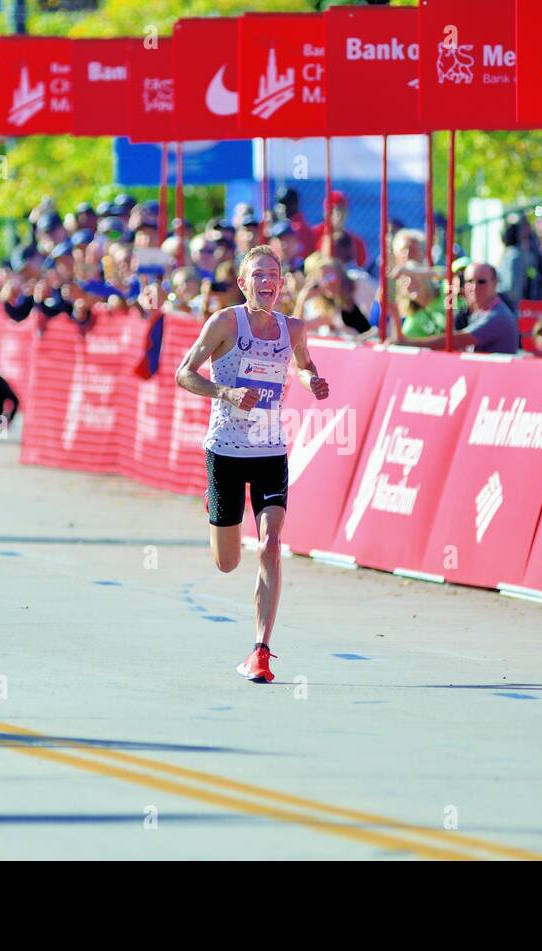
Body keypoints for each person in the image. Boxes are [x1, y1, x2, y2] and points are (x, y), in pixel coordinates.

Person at [175, 246, 329, 685]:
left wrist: (311, 380)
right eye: (258, 274)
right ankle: (217, 507)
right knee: (226, 562)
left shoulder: (292, 328)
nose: (267, 281)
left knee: (270, 542)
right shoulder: (226, 322)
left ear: (282, 283)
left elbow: (303, 365)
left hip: (269, 447)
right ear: (243, 284)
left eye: (274, 274)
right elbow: (184, 373)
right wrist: (225, 393)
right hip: (224, 448)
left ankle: (261, 650)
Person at [393, 262, 518, 354]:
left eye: (481, 282)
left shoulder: (496, 316)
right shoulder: (468, 308)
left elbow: (457, 340)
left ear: (495, 283)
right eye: (469, 281)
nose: (474, 287)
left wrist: (408, 343)